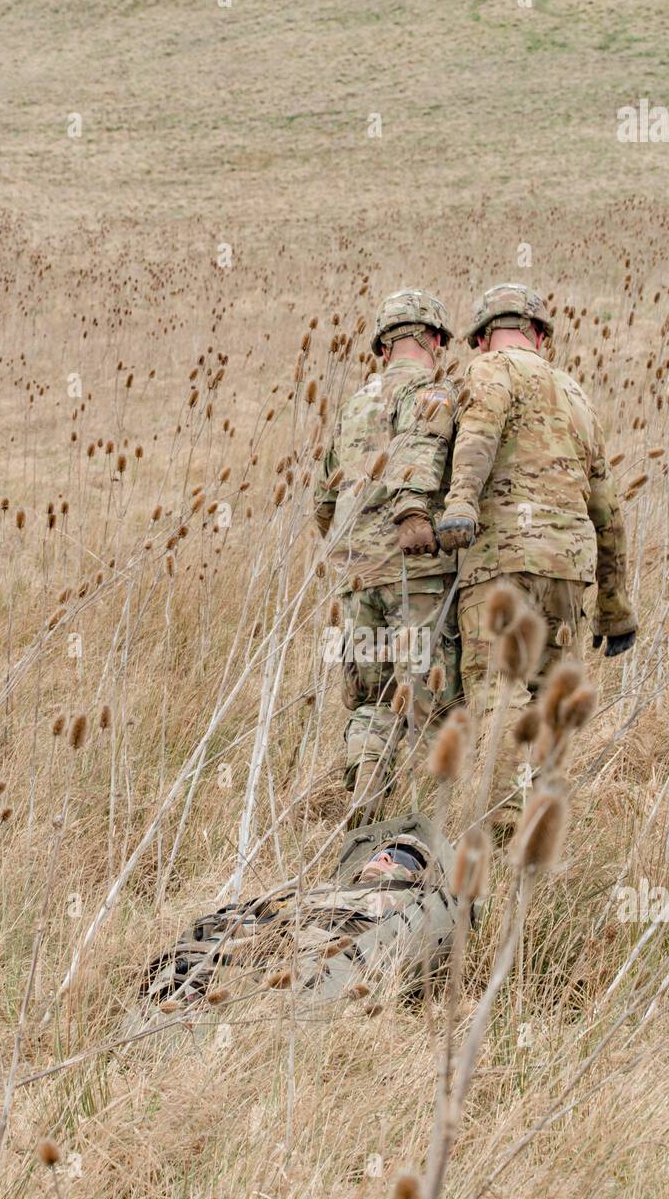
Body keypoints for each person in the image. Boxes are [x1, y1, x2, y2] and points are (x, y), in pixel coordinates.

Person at [435, 283, 637, 836]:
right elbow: (608, 507)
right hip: (570, 570)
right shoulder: (577, 395)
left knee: (500, 695)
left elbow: (478, 433)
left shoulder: (488, 371)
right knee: (550, 704)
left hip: (502, 562)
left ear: (480, 338)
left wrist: (460, 504)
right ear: (542, 334)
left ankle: (501, 837)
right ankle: (543, 831)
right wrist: (616, 609)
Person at [313, 290, 461, 818]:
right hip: (414, 573)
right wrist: (416, 517)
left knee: (371, 703)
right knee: (430, 697)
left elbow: (322, 500)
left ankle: (365, 805)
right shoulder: (434, 393)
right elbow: (423, 456)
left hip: (355, 578)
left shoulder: (353, 405)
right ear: (436, 340)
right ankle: (427, 824)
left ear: (382, 348)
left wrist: (352, 551)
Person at [140, 815, 463, 1013]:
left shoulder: (405, 901)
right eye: (383, 854)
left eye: (401, 860)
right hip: (258, 945)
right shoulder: (320, 889)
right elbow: (257, 913)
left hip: (307, 960)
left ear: (416, 876)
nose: (386, 861)